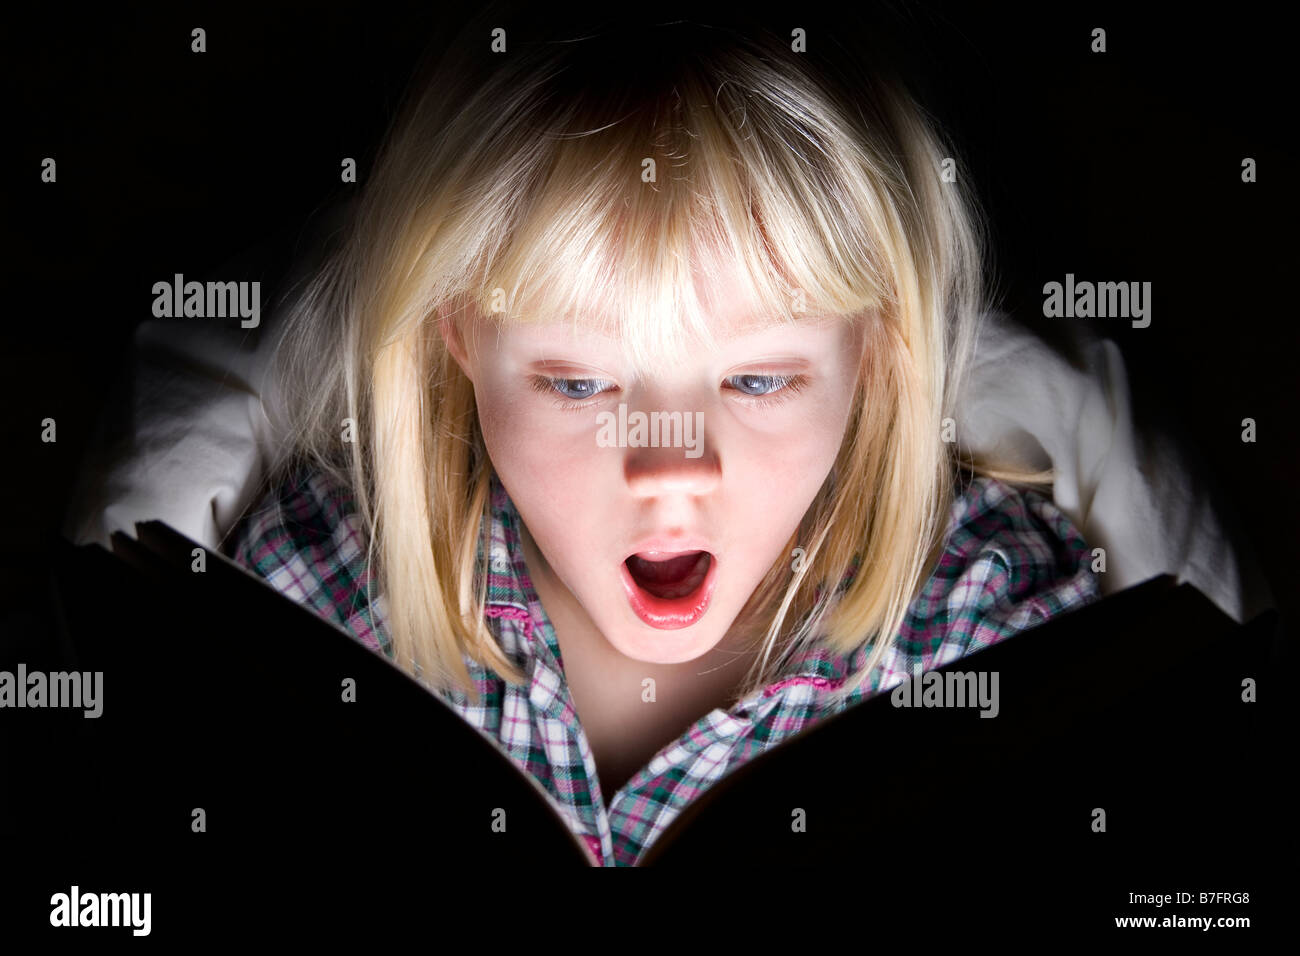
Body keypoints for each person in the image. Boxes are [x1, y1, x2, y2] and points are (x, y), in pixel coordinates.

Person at [228, 7, 1099, 866]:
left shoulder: (997, 632)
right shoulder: (310, 600)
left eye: (759, 380)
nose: (672, 470)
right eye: (578, 383)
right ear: (458, 334)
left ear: (873, 347)